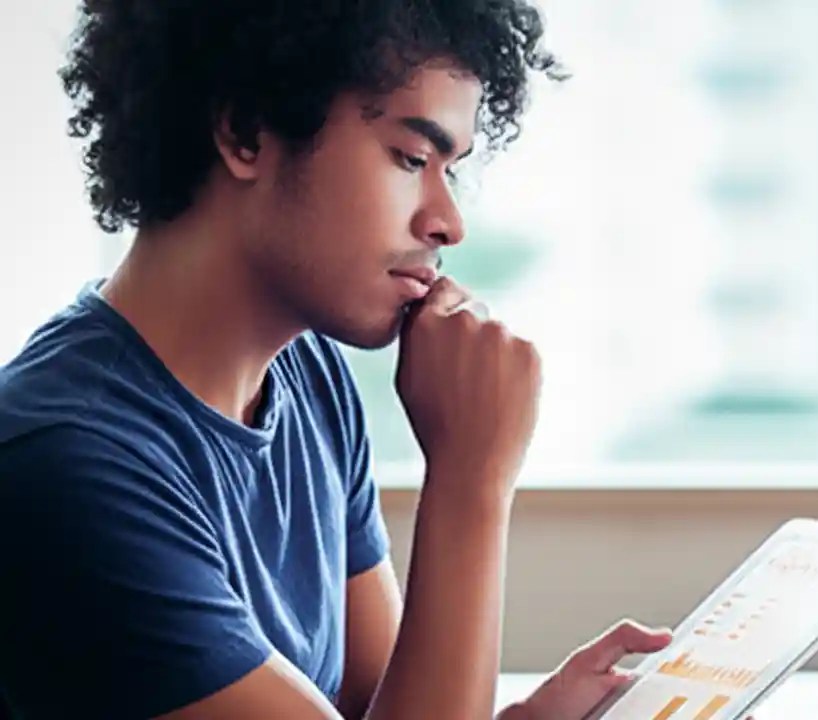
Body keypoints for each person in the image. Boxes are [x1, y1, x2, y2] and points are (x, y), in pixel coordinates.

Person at [0, 1, 675, 718]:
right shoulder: (63, 466)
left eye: (450, 170)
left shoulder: (311, 377)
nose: (448, 221)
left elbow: (387, 708)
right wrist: (472, 480)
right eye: (412, 159)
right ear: (247, 131)